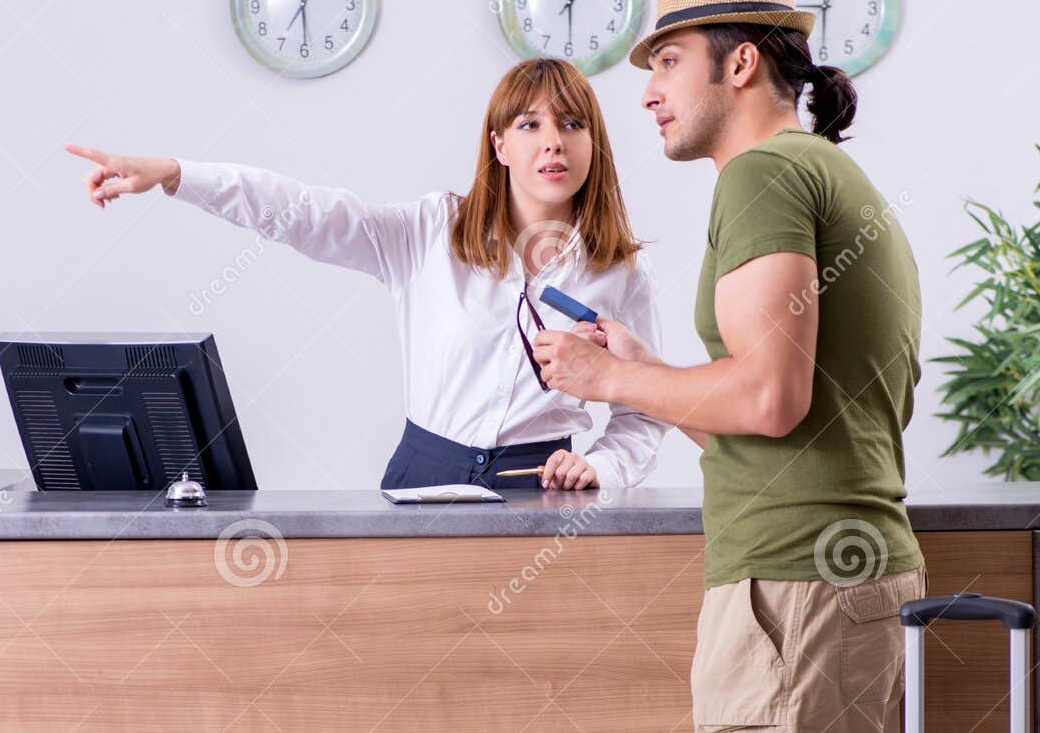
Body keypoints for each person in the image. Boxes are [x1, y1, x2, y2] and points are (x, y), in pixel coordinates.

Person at [532, 0, 926, 733]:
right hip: (839, 583)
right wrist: (654, 378)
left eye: (666, 63)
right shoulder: (831, 175)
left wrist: (610, 379)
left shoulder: (762, 175)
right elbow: (774, 432)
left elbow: (768, 399)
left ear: (740, 63)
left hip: (791, 597)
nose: (649, 95)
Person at [66, 57, 667, 491]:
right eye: (530, 125)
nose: (554, 143)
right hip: (420, 481)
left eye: (572, 124)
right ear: (500, 146)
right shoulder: (429, 233)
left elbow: (644, 413)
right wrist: (176, 173)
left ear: (595, 145)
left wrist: (601, 467)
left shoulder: (619, 277)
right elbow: (302, 211)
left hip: (540, 490)